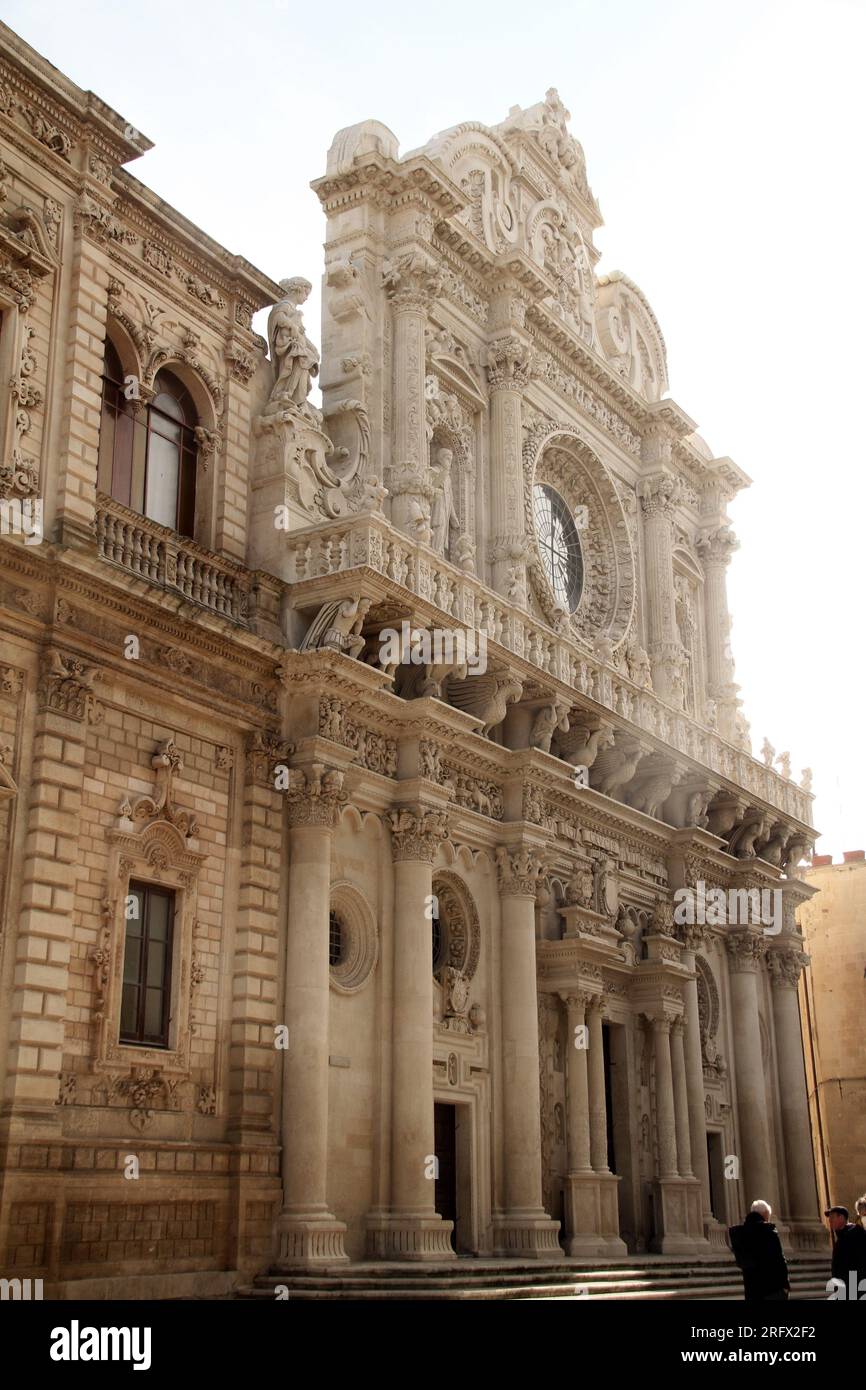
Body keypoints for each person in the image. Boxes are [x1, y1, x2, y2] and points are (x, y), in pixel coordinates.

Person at [728, 1200, 790, 1302]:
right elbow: (780, 1261)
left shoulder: (740, 1234)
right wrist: (785, 1286)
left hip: (751, 1290)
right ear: (765, 1214)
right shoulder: (769, 1232)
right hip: (773, 1289)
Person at [826, 1205, 866, 1299]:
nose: (830, 1221)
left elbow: (860, 1263)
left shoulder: (855, 1234)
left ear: (841, 1218)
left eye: (832, 1217)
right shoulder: (841, 1238)